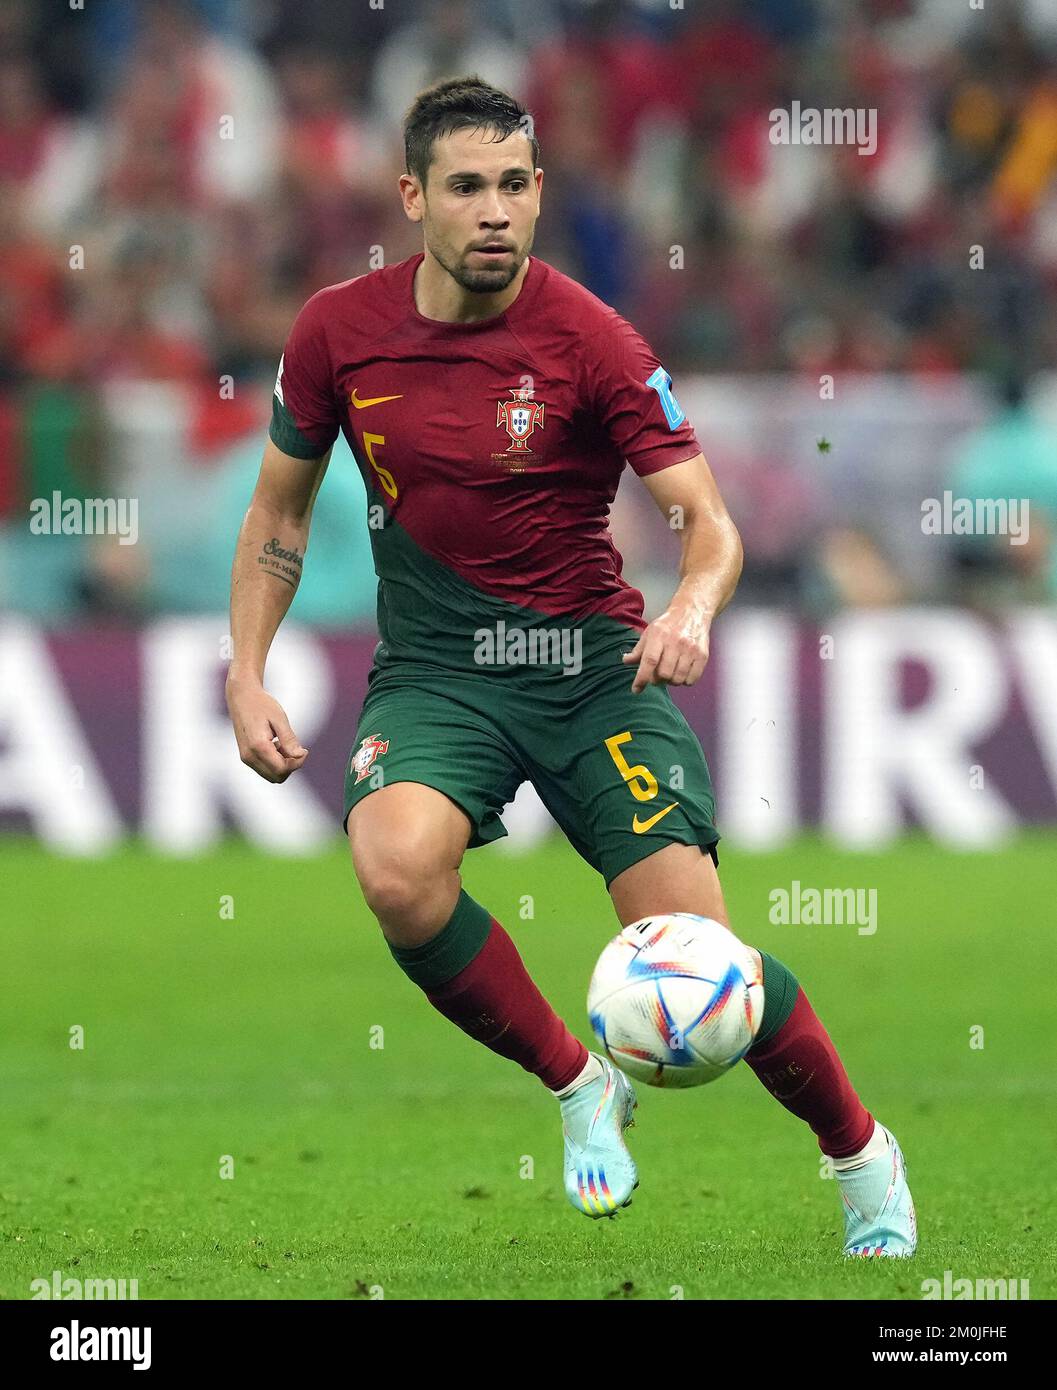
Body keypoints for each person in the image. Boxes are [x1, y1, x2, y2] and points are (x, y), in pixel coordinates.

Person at [225, 77, 916, 1255]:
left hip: (597, 671)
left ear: (539, 193)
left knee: (703, 976)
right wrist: (245, 670)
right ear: (413, 198)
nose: (493, 210)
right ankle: (577, 1083)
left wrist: (692, 602)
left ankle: (858, 1151)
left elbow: (708, 521)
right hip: (439, 670)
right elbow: (278, 515)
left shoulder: (592, 337)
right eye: (465, 187)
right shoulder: (336, 332)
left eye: (512, 186)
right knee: (394, 869)